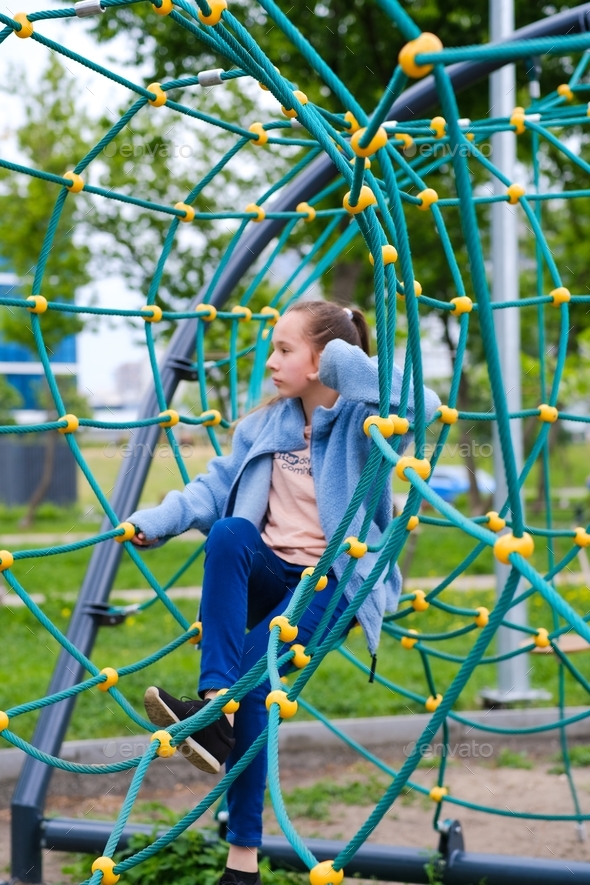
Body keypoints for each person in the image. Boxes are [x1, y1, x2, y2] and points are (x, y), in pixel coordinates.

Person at [127, 300, 440, 885]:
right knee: (227, 532)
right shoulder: (266, 426)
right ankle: (214, 696)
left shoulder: (364, 421)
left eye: (284, 349)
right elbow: (213, 486)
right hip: (272, 572)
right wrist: (159, 520)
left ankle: (241, 864)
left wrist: (344, 361)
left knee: (260, 682)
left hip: (333, 585)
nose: (270, 361)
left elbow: (425, 405)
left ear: (322, 362)